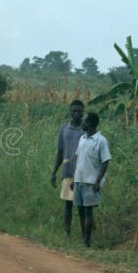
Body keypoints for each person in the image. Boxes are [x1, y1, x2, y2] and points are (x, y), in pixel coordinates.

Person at [71, 112, 111, 247]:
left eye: (85, 121)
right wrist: (73, 179)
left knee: (88, 211)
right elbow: (78, 159)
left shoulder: (101, 140)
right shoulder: (82, 138)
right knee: (80, 210)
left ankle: (86, 240)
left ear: (91, 124)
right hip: (79, 179)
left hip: (91, 181)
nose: (82, 123)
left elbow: (105, 162)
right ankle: (84, 237)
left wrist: (98, 181)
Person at [50, 100, 85, 236]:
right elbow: (60, 151)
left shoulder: (86, 129)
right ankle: (67, 233)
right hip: (68, 170)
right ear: (70, 111)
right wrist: (54, 172)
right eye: (74, 111)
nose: (76, 113)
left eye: (79, 111)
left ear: (83, 112)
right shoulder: (64, 129)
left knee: (82, 206)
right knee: (68, 204)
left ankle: (84, 235)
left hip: (82, 173)